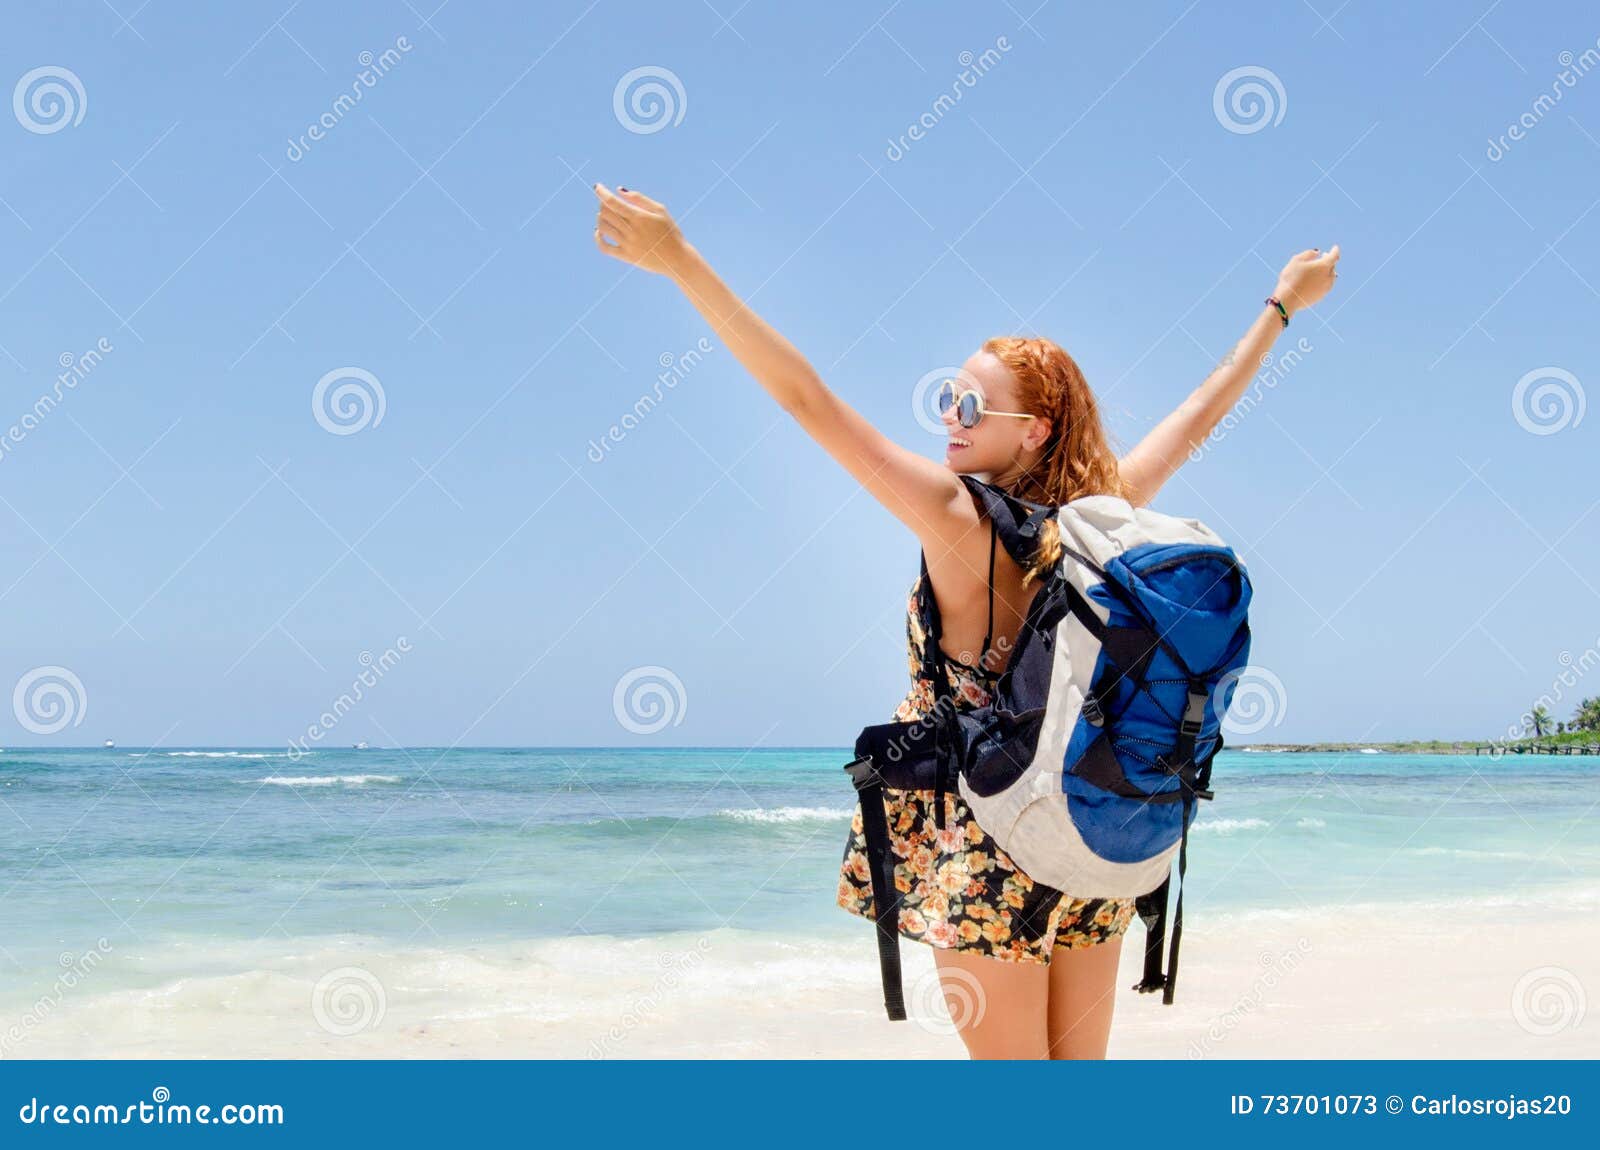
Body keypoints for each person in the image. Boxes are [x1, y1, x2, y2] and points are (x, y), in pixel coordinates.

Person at [592, 182, 1340, 1058]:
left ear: (1034, 431)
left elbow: (807, 402)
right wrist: (1284, 305)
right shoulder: (1101, 520)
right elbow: (1203, 412)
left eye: (971, 407)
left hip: (986, 834)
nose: (950, 418)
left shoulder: (957, 517)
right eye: (949, 398)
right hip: (1085, 826)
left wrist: (680, 262)